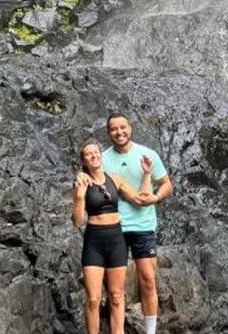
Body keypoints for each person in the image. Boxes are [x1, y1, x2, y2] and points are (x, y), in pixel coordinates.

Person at [78, 114, 172, 334]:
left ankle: (150, 331)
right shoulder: (102, 157)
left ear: (130, 128)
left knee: (147, 278)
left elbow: (165, 184)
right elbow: (88, 171)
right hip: (114, 228)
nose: (119, 132)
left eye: (123, 127)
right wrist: (80, 177)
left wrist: (156, 196)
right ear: (108, 132)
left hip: (142, 225)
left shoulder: (148, 154)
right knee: (113, 292)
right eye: (114, 129)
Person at [72, 140, 155, 334]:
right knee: (93, 298)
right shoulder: (81, 183)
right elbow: (77, 221)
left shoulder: (115, 179)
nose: (94, 155)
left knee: (116, 296)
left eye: (96, 152)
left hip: (116, 240)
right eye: (89, 154)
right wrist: (80, 197)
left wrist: (147, 174)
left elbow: (139, 199)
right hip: (94, 242)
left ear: (101, 155)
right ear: (84, 161)